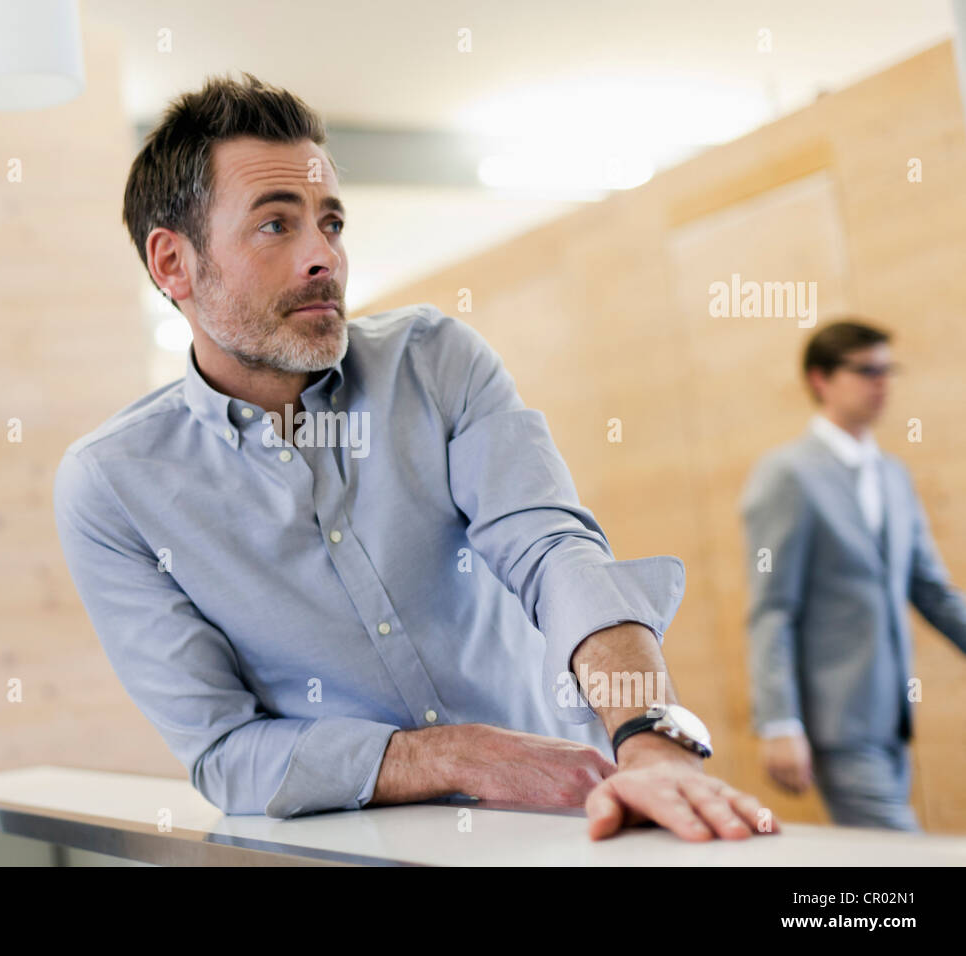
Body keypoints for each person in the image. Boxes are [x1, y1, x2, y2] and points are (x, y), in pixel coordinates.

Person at [55, 72, 776, 842]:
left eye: (331, 223)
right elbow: (226, 752)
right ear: (173, 264)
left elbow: (553, 551)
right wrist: (452, 757)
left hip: (575, 824)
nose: (322, 258)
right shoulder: (113, 486)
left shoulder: (435, 360)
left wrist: (651, 736)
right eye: (275, 225)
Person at [741, 319, 966, 830]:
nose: (882, 383)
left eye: (888, 370)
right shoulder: (786, 475)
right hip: (835, 722)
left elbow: (931, 591)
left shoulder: (893, 474)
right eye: (866, 371)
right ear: (820, 379)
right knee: (901, 855)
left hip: (894, 719)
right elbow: (771, 609)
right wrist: (778, 721)